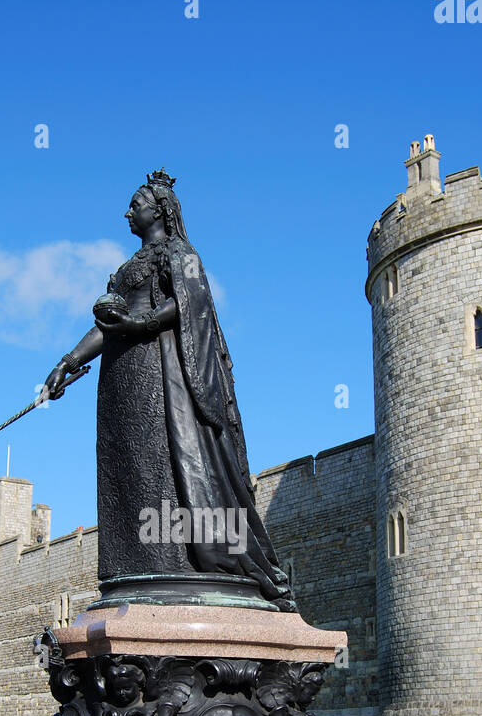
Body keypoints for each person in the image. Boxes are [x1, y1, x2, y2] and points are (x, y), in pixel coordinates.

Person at [42, 171, 295, 610]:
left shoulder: (181, 254)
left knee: (166, 458)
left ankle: (181, 560)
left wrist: (139, 323)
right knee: (132, 465)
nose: (127, 213)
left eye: (135, 205)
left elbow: (193, 303)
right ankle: (140, 564)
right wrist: (68, 361)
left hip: (162, 373)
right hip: (121, 382)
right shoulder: (127, 268)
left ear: (159, 210)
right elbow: (106, 327)